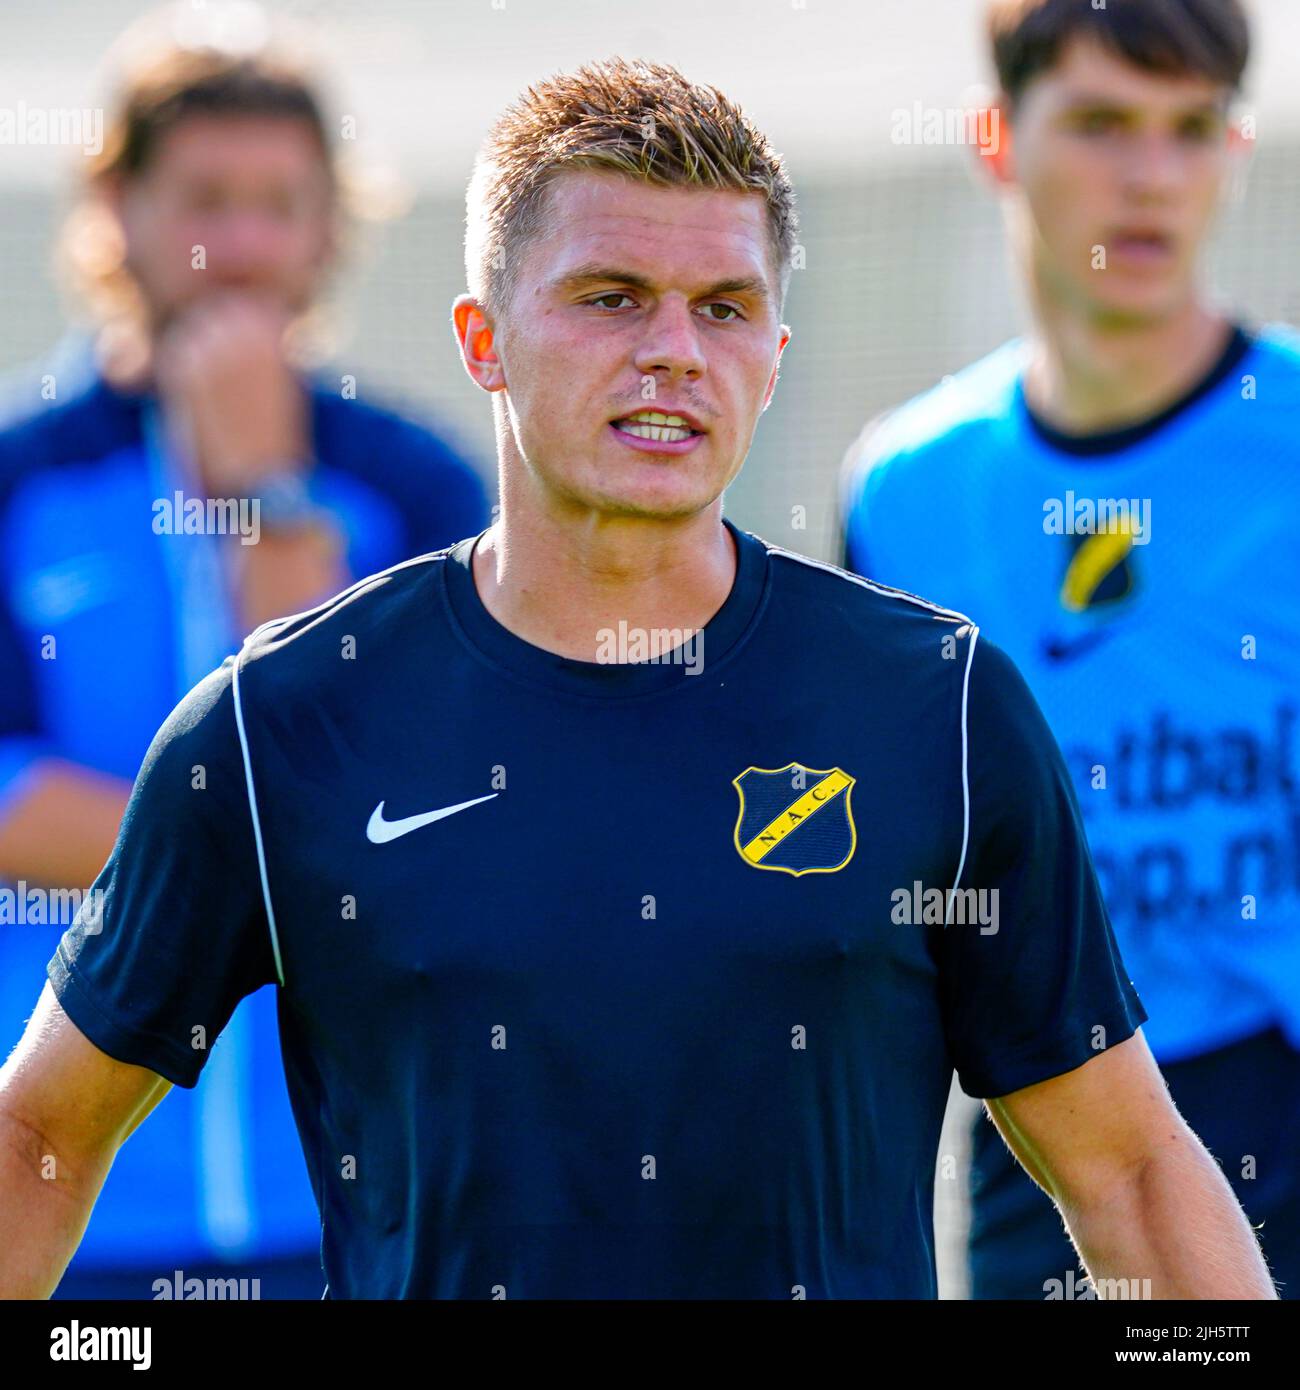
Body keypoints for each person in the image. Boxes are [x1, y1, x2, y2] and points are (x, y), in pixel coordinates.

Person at [0, 55, 1276, 1301]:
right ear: (482, 339)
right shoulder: (281, 719)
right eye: (611, 296)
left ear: (774, 350)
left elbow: (1127, 1171)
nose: (674, 350)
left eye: (722, 306)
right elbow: (39, 1138)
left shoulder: (936, 704)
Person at [0, 37, 488, 1297]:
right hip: (74, 1208)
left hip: (357, 1203)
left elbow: (411, 801)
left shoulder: (411, 479)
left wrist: (266, 492)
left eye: (279, 206)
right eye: (204, 203)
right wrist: (272, 853)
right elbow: (9, 807)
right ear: (118, 211)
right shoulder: (21, 477)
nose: (244, 246)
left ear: (332, 226)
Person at [839, 0, 1299, 1299]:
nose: (1152, 176)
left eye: (1192, 130)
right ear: (997, 138)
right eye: (1102, 124)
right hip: (1046, 1129)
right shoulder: (907, 487)